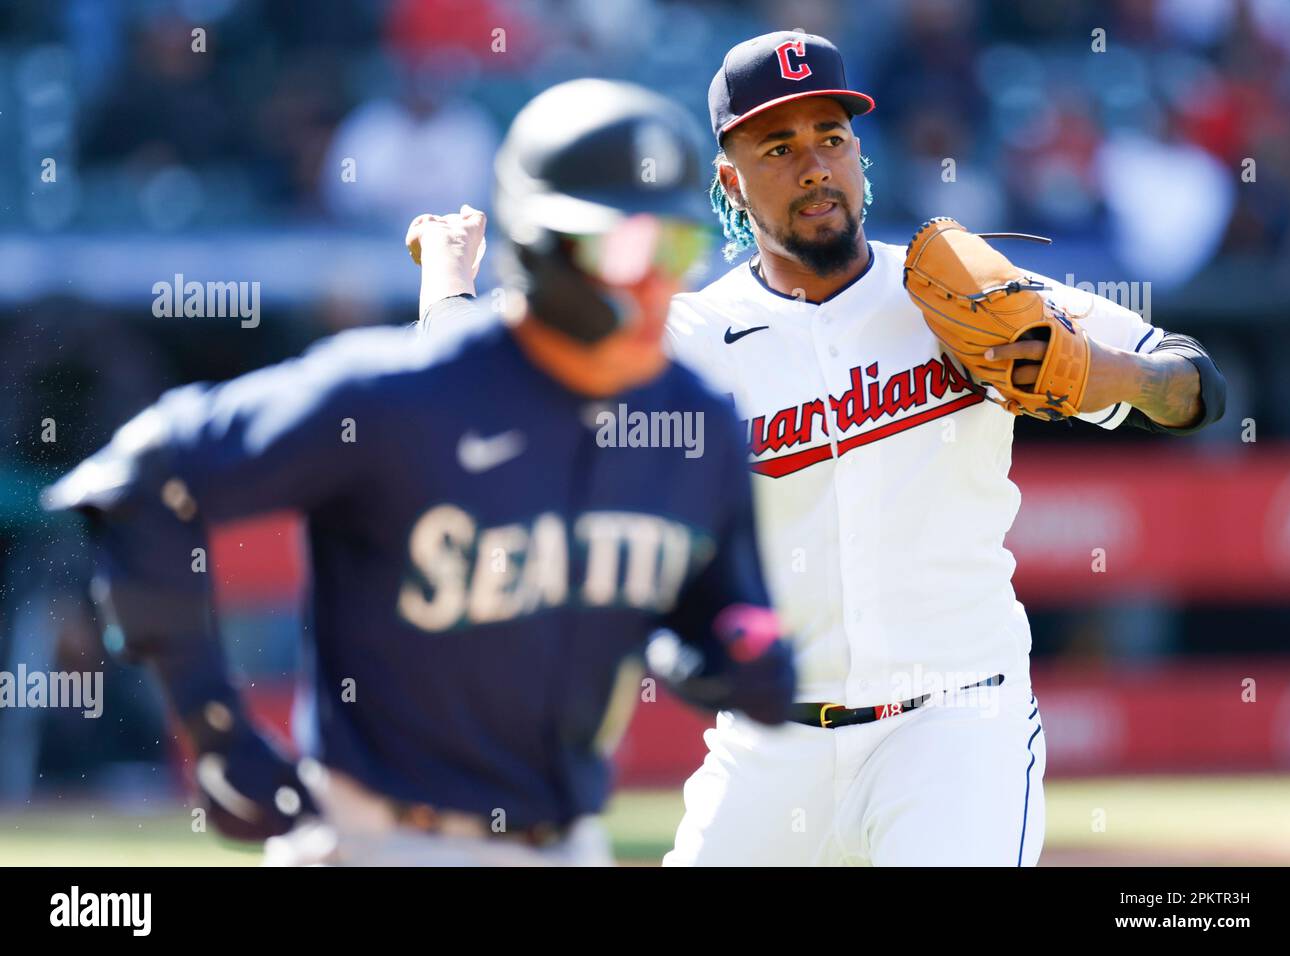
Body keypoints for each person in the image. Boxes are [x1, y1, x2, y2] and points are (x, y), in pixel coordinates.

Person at [42, 78, 794, 867]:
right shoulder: (392, 397)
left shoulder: (695, 417)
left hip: (566, 843)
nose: (653, 282)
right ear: (538, 245)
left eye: (674, 248)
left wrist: (730, 649)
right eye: (623, 247)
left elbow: (728, 613)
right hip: (379, 840)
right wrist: (217, 730)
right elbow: (145, 477)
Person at [653, 31, 1227, 866]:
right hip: (772, 739)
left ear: (860, 154)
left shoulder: (961, 294)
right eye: (779, 146)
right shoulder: (690, 340)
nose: (814, 165)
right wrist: (450, 291)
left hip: (957, 723)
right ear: (730, 181)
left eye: (833, 138)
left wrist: (1096, 370)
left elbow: (1197, 387)